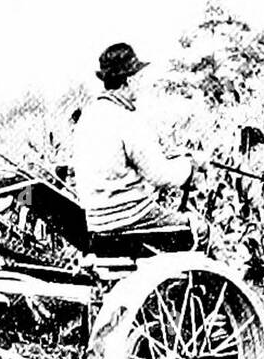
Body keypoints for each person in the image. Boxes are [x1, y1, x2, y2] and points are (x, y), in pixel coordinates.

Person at [71, 42, 201, 245]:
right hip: (131, 218)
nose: (141, 83)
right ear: (129, 80)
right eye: (138, 77)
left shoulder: (88, 117)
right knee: (200, 230)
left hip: (98, 221)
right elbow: (159, 175)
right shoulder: (127, 120)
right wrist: (188, 166)